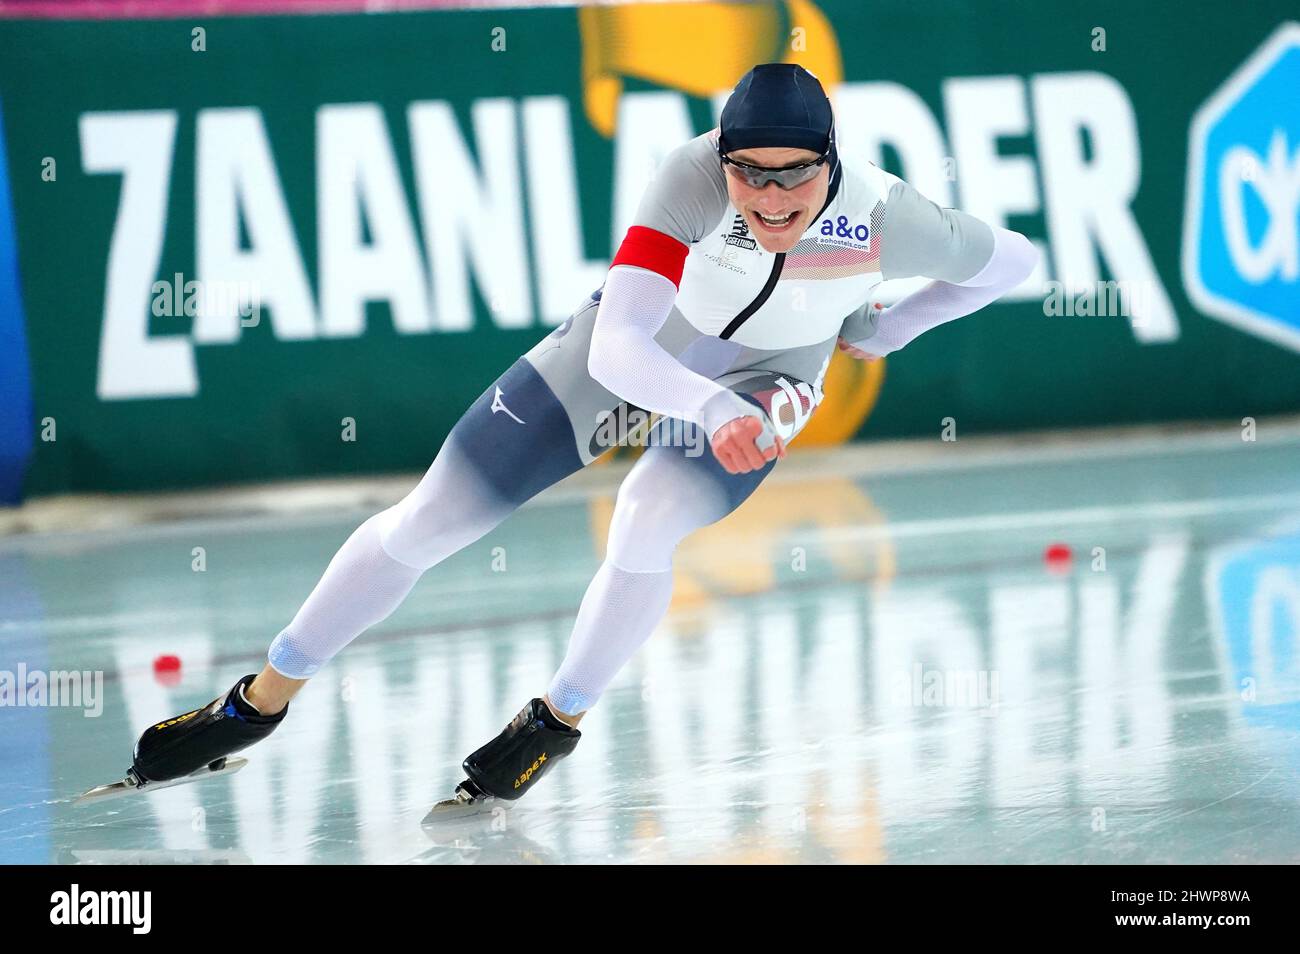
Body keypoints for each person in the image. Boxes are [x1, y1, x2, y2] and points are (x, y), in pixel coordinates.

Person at [128, 63, 1038, 807]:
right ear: (721, 160)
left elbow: (1014, 261)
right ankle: (260, 701)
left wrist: (892, 326)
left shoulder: (886, 217)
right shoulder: (687, 178)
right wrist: (709, 407)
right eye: (748, 172)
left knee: (646, 516)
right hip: (646, 355)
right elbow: (618, 346)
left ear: (829, 164)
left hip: (770, 379)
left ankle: (554, 722)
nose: (768, 196)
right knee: (431, 519)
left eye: (792, 174)